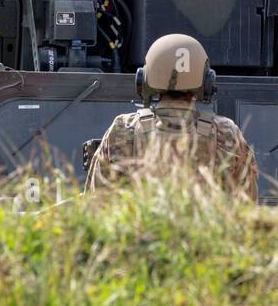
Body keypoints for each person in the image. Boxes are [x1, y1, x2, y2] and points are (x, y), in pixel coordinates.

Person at [87, 33, 257, 198]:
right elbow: (246, 206)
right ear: (207, 82)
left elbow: (97, 203)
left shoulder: (123, 128)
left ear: (144, 79)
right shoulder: (226, 131)